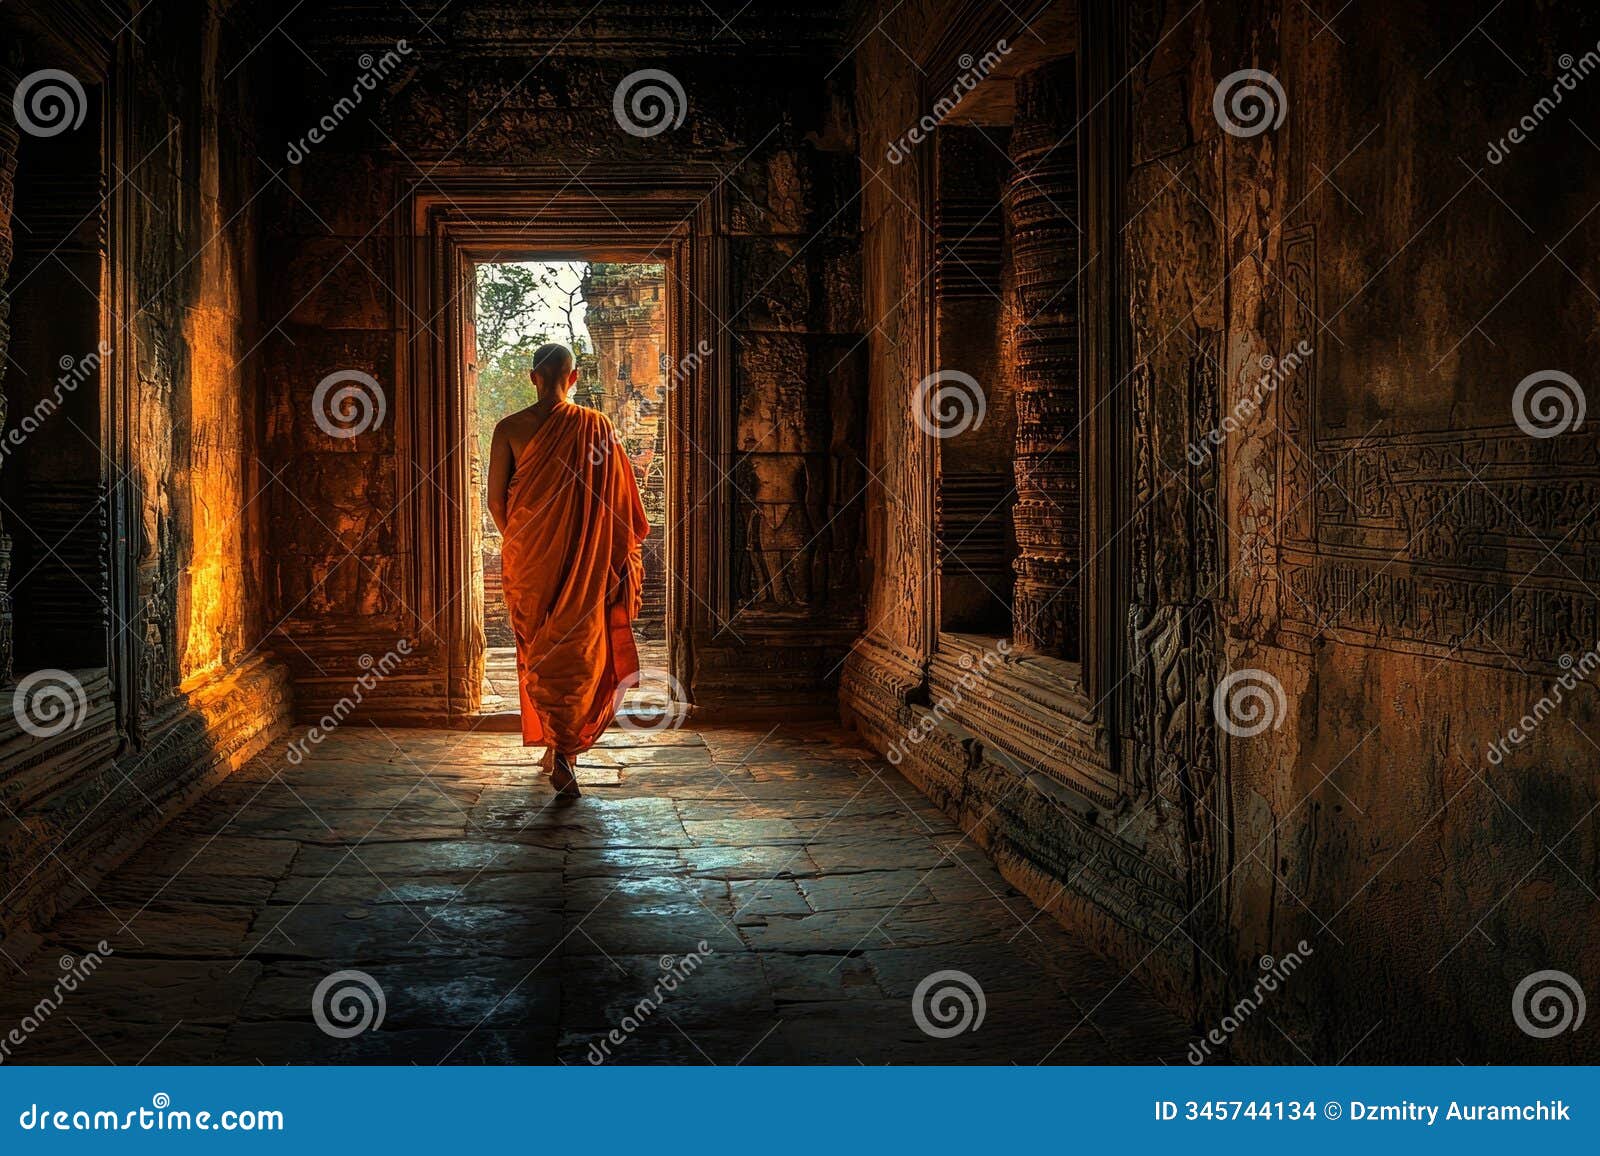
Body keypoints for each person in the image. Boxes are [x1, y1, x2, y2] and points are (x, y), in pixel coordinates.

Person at [487, 342, 650, 798]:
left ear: (532, 377)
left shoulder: (509, 428)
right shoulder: (597, 427)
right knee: (579, 651)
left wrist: (521, 540)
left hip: (529, 561)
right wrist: (600, 551)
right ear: (574, 377)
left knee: (537, 649)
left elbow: (496, 500)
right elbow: (622, 511)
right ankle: (562, 751)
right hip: (587, 563)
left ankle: (557, 748)